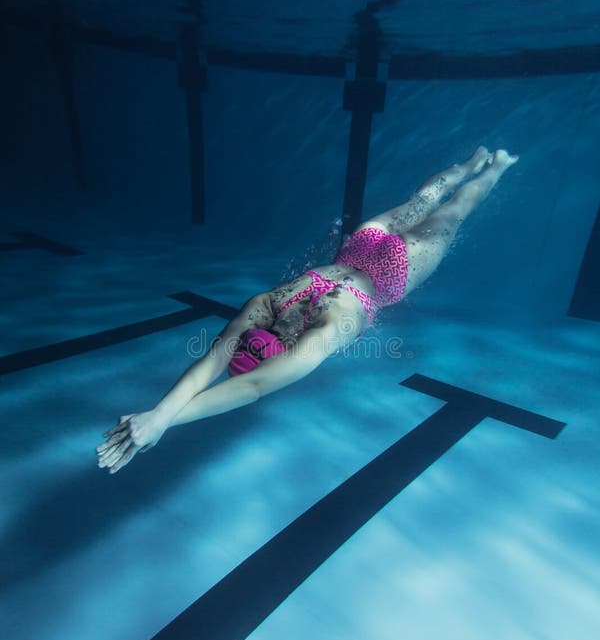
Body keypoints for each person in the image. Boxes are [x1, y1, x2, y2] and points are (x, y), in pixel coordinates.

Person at [96, 146, 518, 474]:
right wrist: (160, 420)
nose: (277, 332)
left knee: (443, 209)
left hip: (386, 262)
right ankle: (477, 166)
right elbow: (243, 381)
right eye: (272, 342)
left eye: (265, 337)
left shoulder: (298, 322)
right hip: (374, 253)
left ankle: (491, 167)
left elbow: (229, 371)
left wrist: (161, 417)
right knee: (432, 203)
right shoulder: (284, 313)